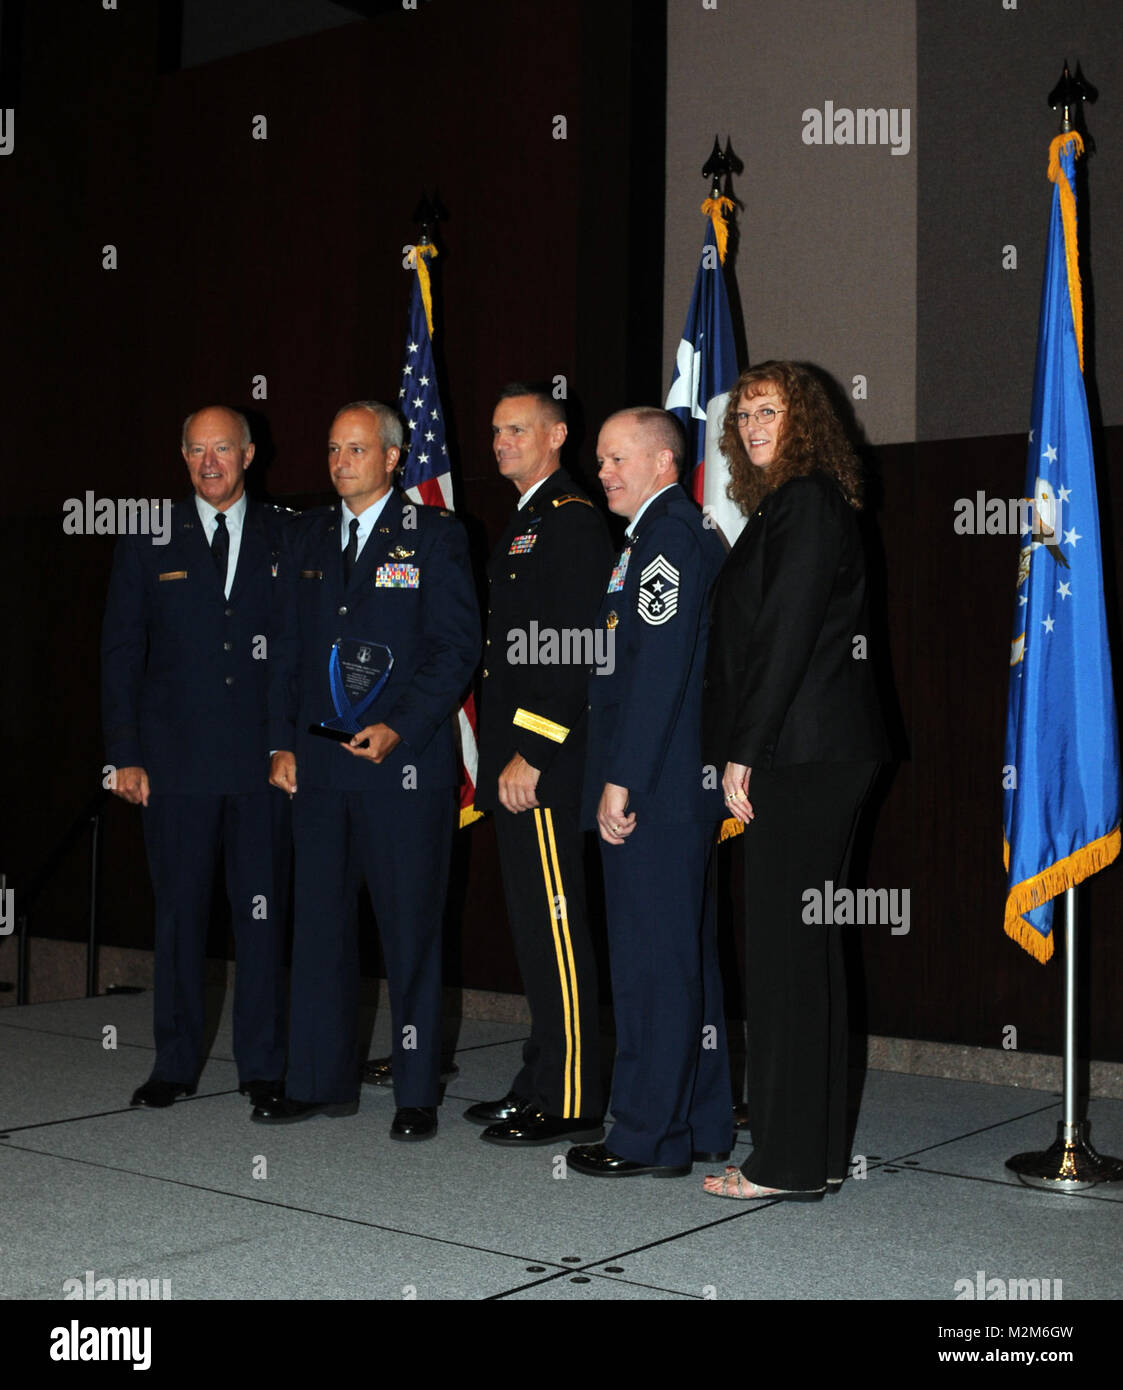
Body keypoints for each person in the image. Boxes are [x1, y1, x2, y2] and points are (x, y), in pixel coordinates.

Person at [253, 401, 479, 1141]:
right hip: (318, 769)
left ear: (392, 456)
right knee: (319, 930)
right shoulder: (307, 535)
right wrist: (281, 742)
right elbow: (286, 648)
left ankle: (415, 1091)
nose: (340, 462)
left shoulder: (435, 535)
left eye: (355, 449)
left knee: (411, 932)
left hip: (403, 771)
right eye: (332, 449)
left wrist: (400, 726)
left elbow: (455, 648)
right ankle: (316, 1081)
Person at [700, 361, 889, 1201]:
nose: (751, 425)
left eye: (768, 411)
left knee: (786, 954)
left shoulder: (805, 501)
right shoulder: (791, 503)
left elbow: (782, 635)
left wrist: (743, 748)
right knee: (804, 950)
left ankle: (783, 1163)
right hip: (811, 748)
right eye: (742, 414)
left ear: (802, 420)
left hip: (801, 752)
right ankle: (808, 1157)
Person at [101, 406, 293, 1110]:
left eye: (222, 448)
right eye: (196, 449)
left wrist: (288, 742)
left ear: (249, 454)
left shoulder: (287, 533)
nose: (209, 461)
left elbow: (298, 651)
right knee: (179, 918)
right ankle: (174, 1064)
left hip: (262, 767)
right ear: (182, 456)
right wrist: (124, 753)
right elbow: (122, 652)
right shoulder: (148, 538)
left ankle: (263, 1065)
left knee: (262, 920)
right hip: (174, 769)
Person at [566, 408, 733, 1179]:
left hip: (655, 787)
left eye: (617, 458)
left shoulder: (665, 539)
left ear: (664, 462)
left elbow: (657, 674)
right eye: (600, 460)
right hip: (673, 785)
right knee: (682, 957)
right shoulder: (661, 535)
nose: (603, 472)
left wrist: (620, 782)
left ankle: (645, 1136)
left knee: (649, 966)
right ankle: (699, 1122)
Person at [466, 383, 613, 1146]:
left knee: (558, 932)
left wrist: (534, 750)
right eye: (495, 431)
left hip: (543, 766)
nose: (501, 443)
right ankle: (539, 1077)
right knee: (533, 929)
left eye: (517, 430)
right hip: (515, 762)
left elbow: (579, 649)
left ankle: (571, 1097)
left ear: (557, 435)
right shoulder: (528, 519)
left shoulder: (572, 520)